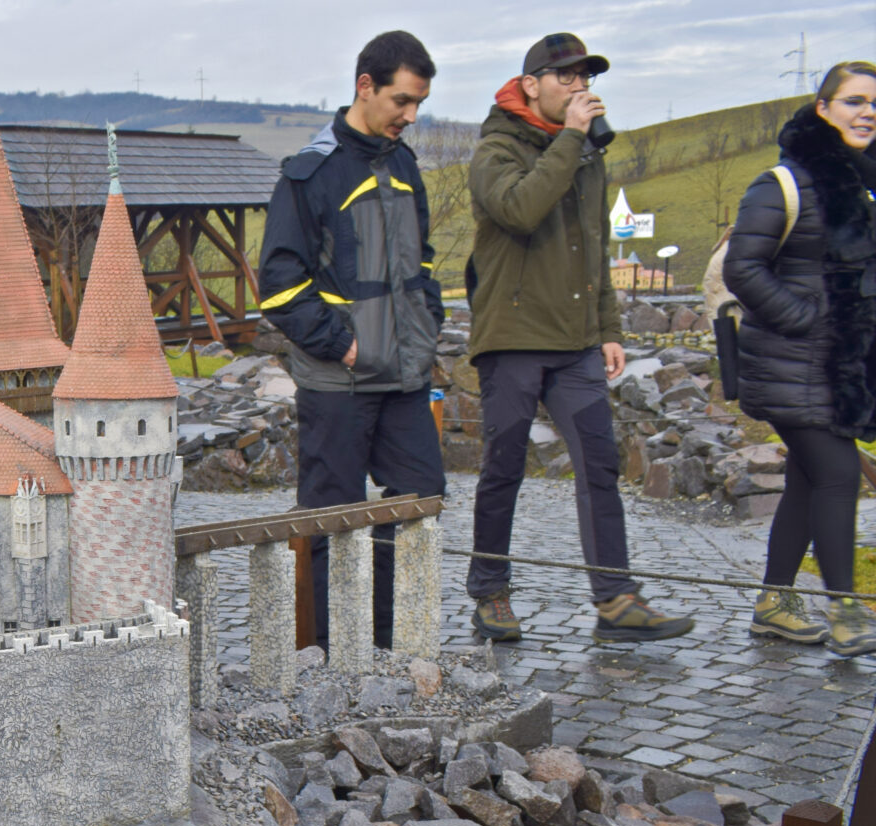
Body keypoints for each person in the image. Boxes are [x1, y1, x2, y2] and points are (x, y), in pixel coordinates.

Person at [463, 34, 693, 645]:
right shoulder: (494, 148)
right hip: (512, 336)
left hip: (576, 344)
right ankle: (490, 592)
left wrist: (609, 330)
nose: (580, 86)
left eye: (586, 76)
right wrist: (569, 136)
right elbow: (521, 208)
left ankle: (615, 599)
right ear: (531, 84)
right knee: (504, 465)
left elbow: (593, 248)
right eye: (566, 76)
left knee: (600, 462)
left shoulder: (588, 154)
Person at [259, 30, 447, 650]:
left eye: (418, 103)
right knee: (332, 519)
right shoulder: (309, 173)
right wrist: (344, 345)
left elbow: (417, 264)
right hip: (337, 381)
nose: (411, 116)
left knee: (419, 504)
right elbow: (280, 284)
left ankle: (392, 646)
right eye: (402, 101)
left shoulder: (404, 163)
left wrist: (428, 320)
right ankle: (327, 657)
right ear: (365, 86)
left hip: (405, 378)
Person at [724, 60, 876, 656]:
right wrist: (807, 320)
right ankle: (846, 611)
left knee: (808, 482)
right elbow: (743, 267)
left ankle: (773, 603)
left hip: (840, 370)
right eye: (854, 101)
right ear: (823, 109)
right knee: (838, 475)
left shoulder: (865, 186)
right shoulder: (783, 183)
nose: (867, 113)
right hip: (793, 364)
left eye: (875, 105)